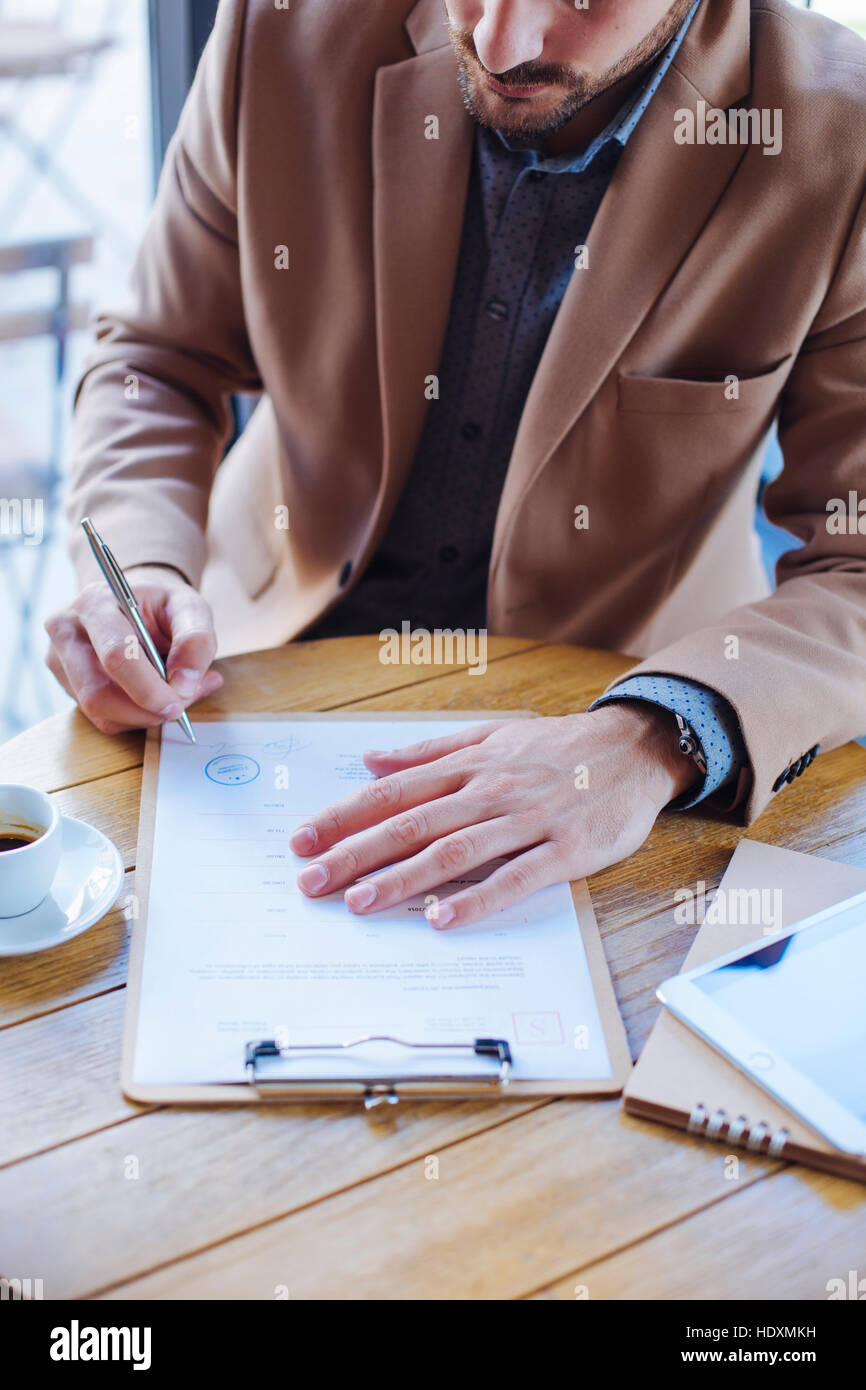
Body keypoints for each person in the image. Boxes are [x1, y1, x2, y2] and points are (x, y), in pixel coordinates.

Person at [46, 0, 866, 928]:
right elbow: (159, 356)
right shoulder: (278, 27)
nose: (497, 45)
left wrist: (652, 737)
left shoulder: (840, 133)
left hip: (619, 722)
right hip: (248, 678)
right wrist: (140, 565)